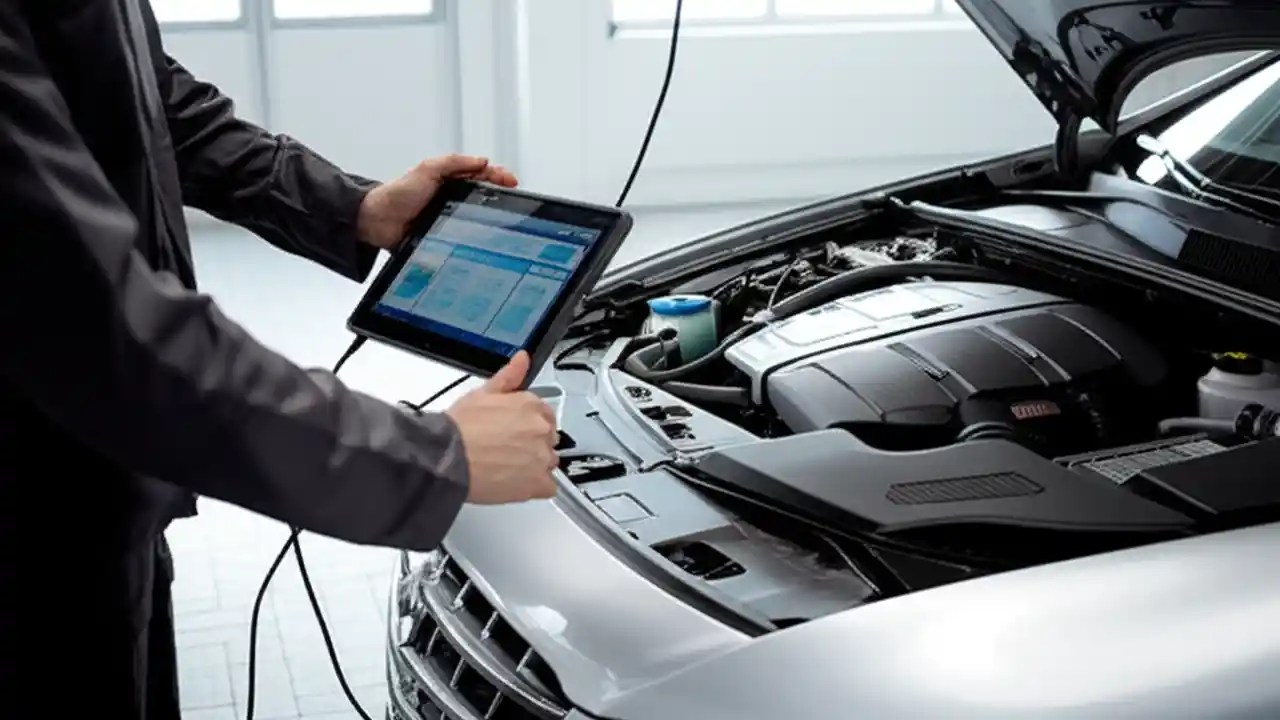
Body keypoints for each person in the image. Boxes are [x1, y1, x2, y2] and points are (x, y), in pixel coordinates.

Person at [0, 1, 559, 717]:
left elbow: (147, 97)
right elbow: (100, 331)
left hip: (111, 492)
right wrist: (429, 459)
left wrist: (352, 208)